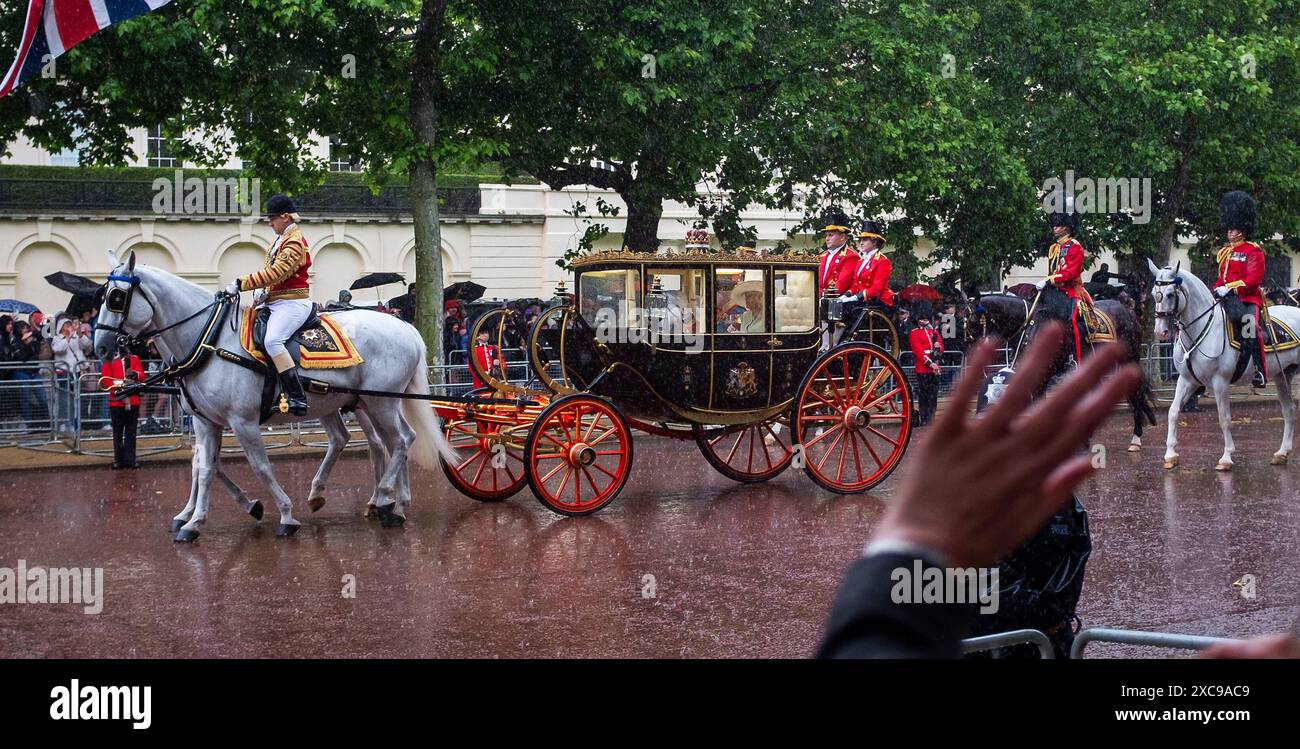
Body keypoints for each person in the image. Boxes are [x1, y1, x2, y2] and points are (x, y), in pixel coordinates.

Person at [225, 194, 312, 415]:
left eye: (272, 218)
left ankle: (297, 396)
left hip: (293, 304)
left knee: (273, 341)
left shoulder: (294, 241)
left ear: (285, 216)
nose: (269, 222)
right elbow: (274, 277)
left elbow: (276, 272)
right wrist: (262, 292)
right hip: (275, 302)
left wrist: (241, 283)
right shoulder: (280, 240)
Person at [1213, 190, 1268, 388]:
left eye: (1234, 228)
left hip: (1247, 300)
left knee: (1248, 326)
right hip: (1226, 298)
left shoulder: (1253, 250)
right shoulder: (1225, 252)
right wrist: (1218, 289)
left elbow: (1253, 280)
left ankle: (1259, 371)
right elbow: (1221, 278)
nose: (1229, 231)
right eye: (1228, 228)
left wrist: (1230, 288)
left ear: (1243, 230)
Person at [1036, 210, 1096, 363]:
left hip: (1072, 291)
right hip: (1055, 291)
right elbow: (1053, 270)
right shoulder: (1054, 248)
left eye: (1058, 225)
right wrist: (1048, 283)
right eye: (1054, 225)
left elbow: (1070, 273)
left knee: (1071, 320)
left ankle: (1077, 359)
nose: (1054, 228)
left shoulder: (1075, 247)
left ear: (1066, 228)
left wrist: (1049, 280)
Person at [101, 351, 144, 469]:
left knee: (131, 431)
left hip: (133, 400)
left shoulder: (134, 358)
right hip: (117, 401)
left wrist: (134, 375)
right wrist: (121, 390)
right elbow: (106, 380)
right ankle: (119, 459)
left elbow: (141, 375)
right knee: (118, 432)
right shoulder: (109, 359)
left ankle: (130, 459)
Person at [908, 302, 943, 426]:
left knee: (933, 395)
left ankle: (931, 418)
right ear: (918, 320)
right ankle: (924, 418)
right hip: (923, 369)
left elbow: (941, 348)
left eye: (926, 318)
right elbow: (918, 352)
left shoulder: (933, 332)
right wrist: (930, 364)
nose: (924, 320)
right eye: (922, 318)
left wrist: (938, 347)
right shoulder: (914, 333)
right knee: (924, 395)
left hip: (935, 368)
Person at [818, 207, 859, 297]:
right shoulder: (823, 256)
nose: (827, 239)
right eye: (826, 235)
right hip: (818, 300)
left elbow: (839, 287)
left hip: (836, 303)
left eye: (831, 235)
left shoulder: (851, 256)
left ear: (842, 237)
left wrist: (815, 294)